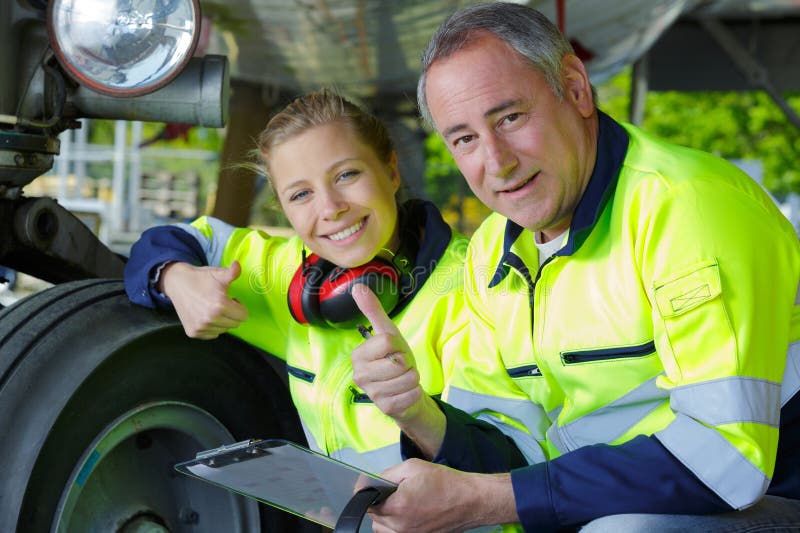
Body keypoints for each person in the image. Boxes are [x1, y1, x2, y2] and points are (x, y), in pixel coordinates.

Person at [353, 3, 800, 532]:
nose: (497, 162)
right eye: (465, 139)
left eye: (510, 118)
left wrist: (484, 499)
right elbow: (516, 454)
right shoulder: (489, 250)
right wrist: (418, 415)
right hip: (607, 502)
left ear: (576, 88)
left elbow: (729, 461)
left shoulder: (689, 207)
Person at [123, 89, 484, 479]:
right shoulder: (284, 274)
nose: (330, 209)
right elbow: (166, 242)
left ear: (391, 172)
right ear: (284, 209)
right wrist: (175, 277)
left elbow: (506, 462)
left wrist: (418, 413)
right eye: (301, 195)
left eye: (346, 175)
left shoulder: (476, 283)